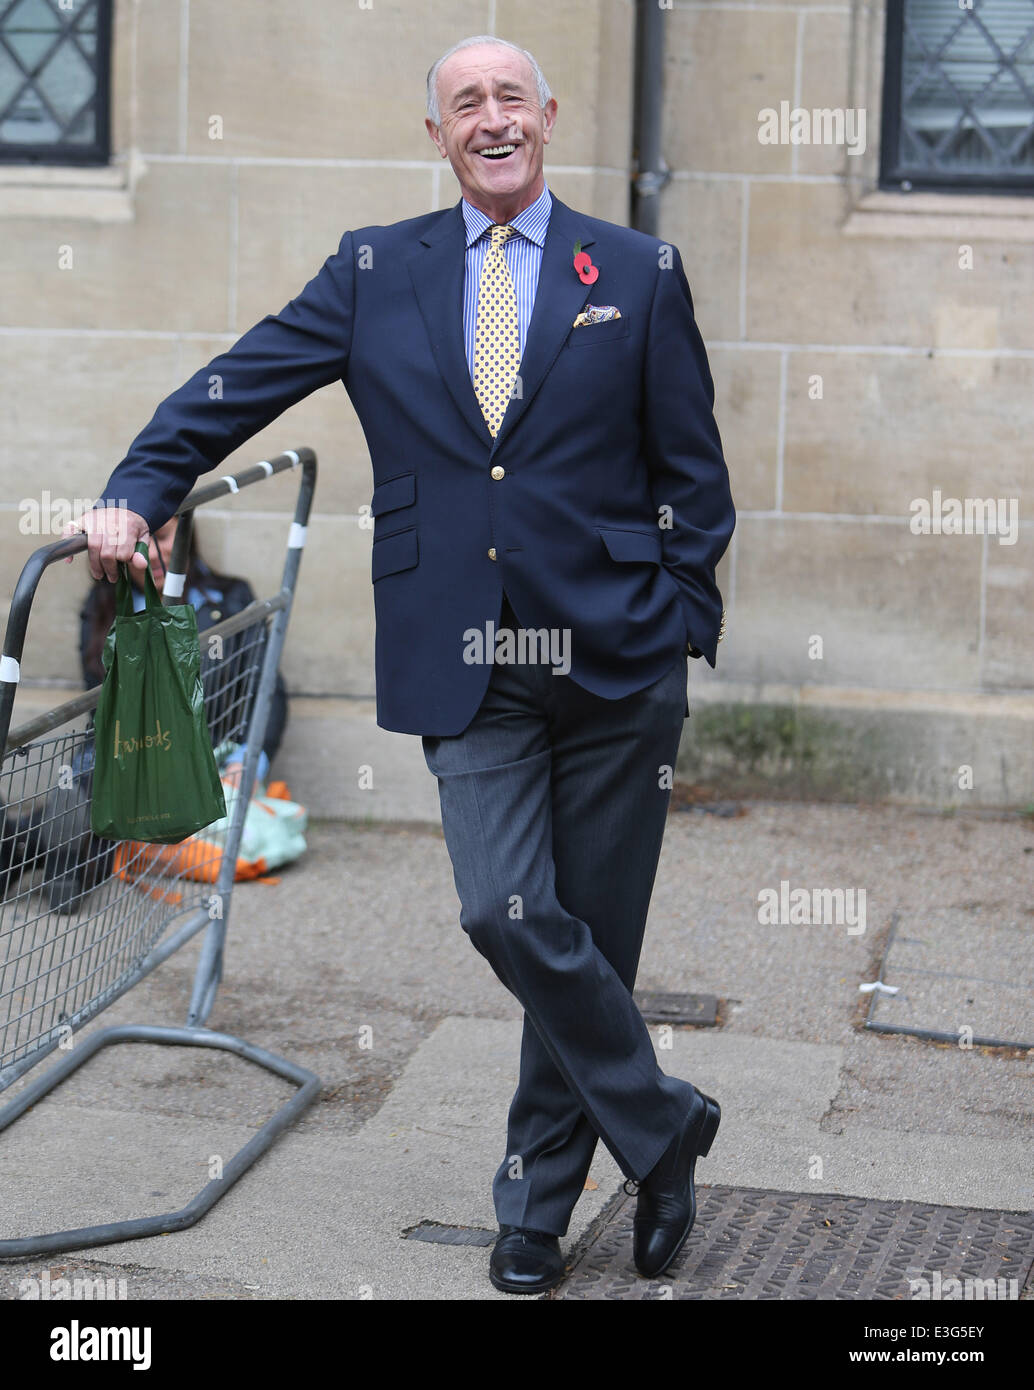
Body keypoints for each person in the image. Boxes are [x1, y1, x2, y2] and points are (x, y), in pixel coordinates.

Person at [68, 35, 735, 1294]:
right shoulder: (377, 270)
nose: (490, 118)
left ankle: (536, 1210)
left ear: (547, 114)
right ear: (435, 134)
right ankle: (665, 1125)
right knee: (505, 910)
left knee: (587, 931)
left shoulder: (635, 270)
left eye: (508, 97)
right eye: (461, 102)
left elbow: (691, 472)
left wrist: (680, 613)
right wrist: (135, 487)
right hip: (462, 650)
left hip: (614, 656)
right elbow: (239, 382)